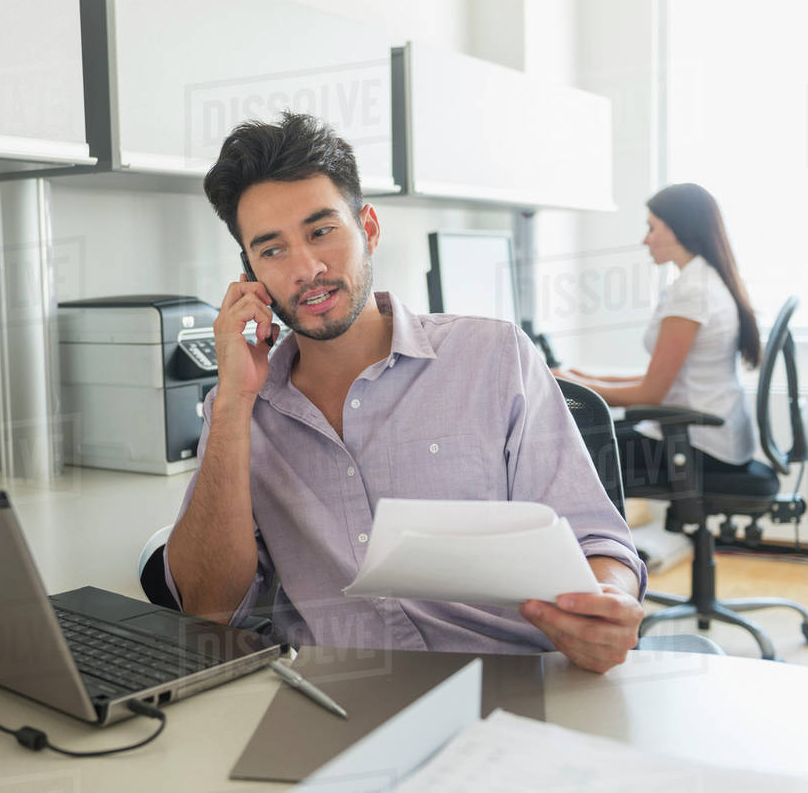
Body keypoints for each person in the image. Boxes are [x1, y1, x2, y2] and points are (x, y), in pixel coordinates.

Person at [163, 113, 645, 674]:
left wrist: (608, 603)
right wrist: (232, 403)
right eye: (272, 251)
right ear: (251, 275)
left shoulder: (494, 358)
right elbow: (207, 607)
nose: (307, 269)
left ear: (367, 227)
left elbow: (597, 539)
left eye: (322, 231)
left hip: (509, 682)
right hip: (338, 695)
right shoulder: (245, 410)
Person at [555, 183, 760, 489]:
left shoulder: (693, 293)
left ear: (678, 229)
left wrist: (569, 386)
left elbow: (651, 395)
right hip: (711, 435)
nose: (645, 240)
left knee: (562, 453)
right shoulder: (703, 280)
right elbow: (660, 380)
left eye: (652, 228)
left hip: (699, 445)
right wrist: (582, 377)